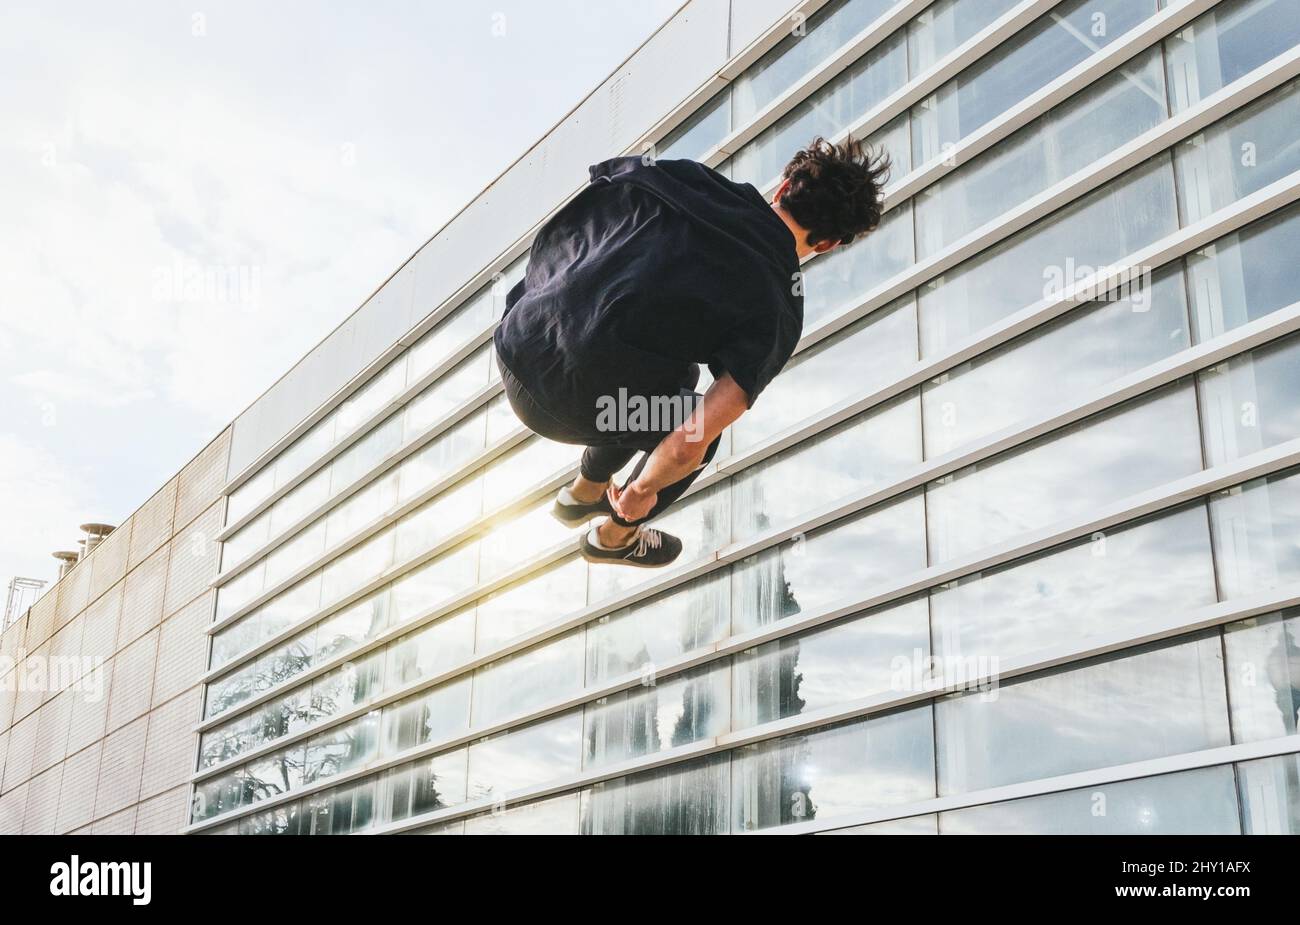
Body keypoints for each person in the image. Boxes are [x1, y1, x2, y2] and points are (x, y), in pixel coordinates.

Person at [493, 136, 889, 568]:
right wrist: (641, 492)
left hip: (516, 341)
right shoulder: (778, 307)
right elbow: (689, 441)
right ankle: (613, 535)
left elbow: (587, 208)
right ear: (829, 244)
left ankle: (582, 494)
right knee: (695, 414)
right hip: (568, 408)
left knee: (673, 373)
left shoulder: (687, 176)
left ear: (783, 186)